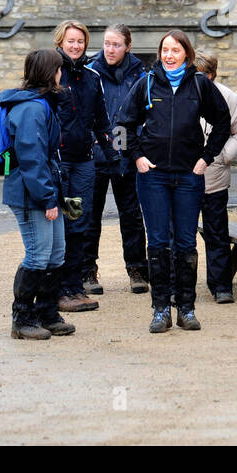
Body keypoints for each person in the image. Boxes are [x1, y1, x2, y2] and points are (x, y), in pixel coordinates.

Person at [116, 29, 231, 333]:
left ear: (187, 54)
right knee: (157, 243)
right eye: (164, 50)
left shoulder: (199, 85)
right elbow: (121, 126)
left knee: (185, 243)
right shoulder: (147, 83)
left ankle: (187, 309)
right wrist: (136, 157)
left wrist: (206, 157)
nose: (168, 56)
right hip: (153, 177)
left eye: (175, 51)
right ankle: (160, 309)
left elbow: (223, 122)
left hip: (188, 176)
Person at [0, 49, 75, 340]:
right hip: (32, 195)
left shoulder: (41, 103)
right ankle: (22, 318)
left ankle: (47, 313)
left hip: (45, 192)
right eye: (58, 69)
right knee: (38, 255)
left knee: (56, 254)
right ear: (49, 72)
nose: (61, 75)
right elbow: (32, 159)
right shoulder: (31, 109)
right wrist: (47, 199)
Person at [51, 19, 119, 313]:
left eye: (80, 41)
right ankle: (60, 290)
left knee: (79, 224)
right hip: (60, 163)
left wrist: (112, 153)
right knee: (62, 226)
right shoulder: (52, 74)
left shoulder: (91, 78)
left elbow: (101, 121)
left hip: (83, 164)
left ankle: (75, 286)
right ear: (60, 43)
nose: (76, 46)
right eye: (71, 41)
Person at [88, 24, 150, 295]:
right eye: (106, 44)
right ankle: (86, 271)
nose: (110, 49)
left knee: (132, 216)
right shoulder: (89, 71)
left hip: (125, 155)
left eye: (116, 45)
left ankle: (137, 269)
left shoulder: (141, 75)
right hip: (94, 156)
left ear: (128, 46)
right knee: (89, 216)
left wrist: (126, 148)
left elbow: (141, 117)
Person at [193, 52, 237, 303]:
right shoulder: (178, 95)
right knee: (180, 234)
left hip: (213, 177)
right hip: (181, 177)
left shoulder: (226, 97)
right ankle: (180, 285)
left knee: (216, 232)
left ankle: (221, 287)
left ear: (210, 75)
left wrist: (219, 156)